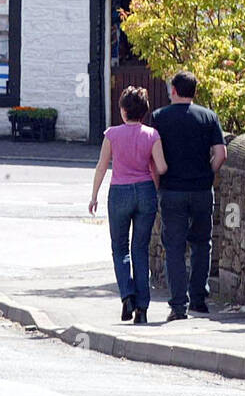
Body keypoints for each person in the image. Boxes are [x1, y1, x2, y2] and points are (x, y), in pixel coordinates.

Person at [89, 86, 168, 324]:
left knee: (120, 248)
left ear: (123, 111)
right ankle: (142, 309)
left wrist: (93, 196)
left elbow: (102, 166)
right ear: (144, 111)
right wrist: (152, 174)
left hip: (119, 193)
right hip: (145, 192)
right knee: (140, 250)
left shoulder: (111, 134)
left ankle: (127, 296)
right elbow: (161, 167)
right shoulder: (152, 135)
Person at [151, 71, 227, 321]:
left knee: (173, 247)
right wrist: (208, 173)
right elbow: (221, 154)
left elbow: (154, 156)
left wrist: (158, 184)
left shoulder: (160, 118)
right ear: (194, 91)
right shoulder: (208, 117)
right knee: (202, 243)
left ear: (173, 90)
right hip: (202, 189)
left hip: (172, 190)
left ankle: (178, 306)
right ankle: (198, 299)